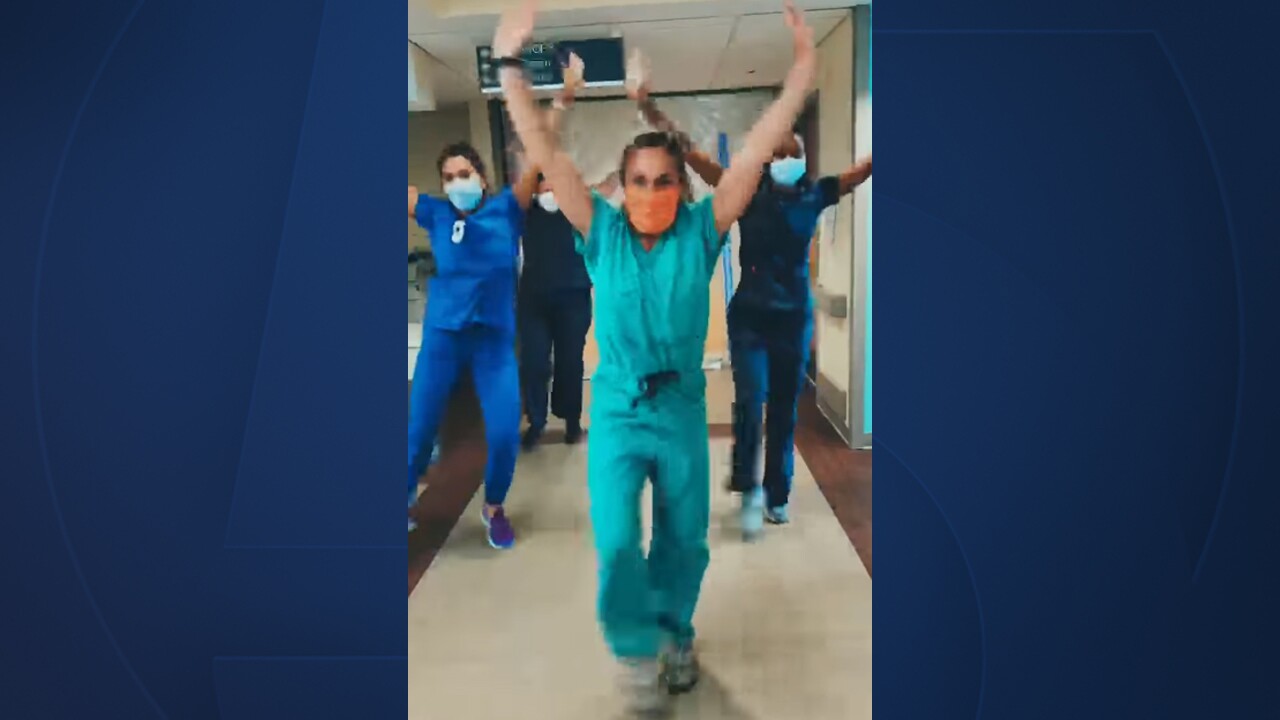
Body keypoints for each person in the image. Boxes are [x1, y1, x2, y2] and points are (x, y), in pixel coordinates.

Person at [493, 0, 817, 713]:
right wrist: (510, 66)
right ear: (623, 186)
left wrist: (800, 74)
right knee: (615, 543)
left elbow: (760, 147)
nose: (648, 192)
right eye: (636, 180)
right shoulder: (601, 234)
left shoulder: (700, 234)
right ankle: (637, 649)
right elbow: (546, 155)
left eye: (662, 181)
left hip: (679, 411)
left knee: (683, 542)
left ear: (681, 187)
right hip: (616, 407)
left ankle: (675, 634)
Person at [637, 91, 872, 539]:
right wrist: (650, 109)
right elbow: (691, 153)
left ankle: (776, 495)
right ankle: (747, 487)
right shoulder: (746, 193)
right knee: (749, 401)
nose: (786, 158)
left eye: (793, 152)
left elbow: (860, 172)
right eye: (778, 153)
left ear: (803, 159)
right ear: (766, 161)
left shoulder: (815, 194)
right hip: (749, 319)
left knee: (784, 410)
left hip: (793, 321)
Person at [406, 138, 540, 547]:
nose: (456, 183)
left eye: (464, 174)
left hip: (492, 341)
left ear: (481, 176)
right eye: (448, 178)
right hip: (444, 337)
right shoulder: (436, 212)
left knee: (503, 433)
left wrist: (559, 104)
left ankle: (494, 507)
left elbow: (538, 155)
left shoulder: (507, 209)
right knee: (418, 430)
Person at [517, 57, 620, 449]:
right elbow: (539, 151)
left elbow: (611, 185)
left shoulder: (579, 203)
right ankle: (537, 422)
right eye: (541, 183)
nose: (547, 189)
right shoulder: (526, 207)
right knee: (535, 362)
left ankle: (572, 420)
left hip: (574, 296)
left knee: (570, 364)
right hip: (534, 298)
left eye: (552, 184)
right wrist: (562, 100)